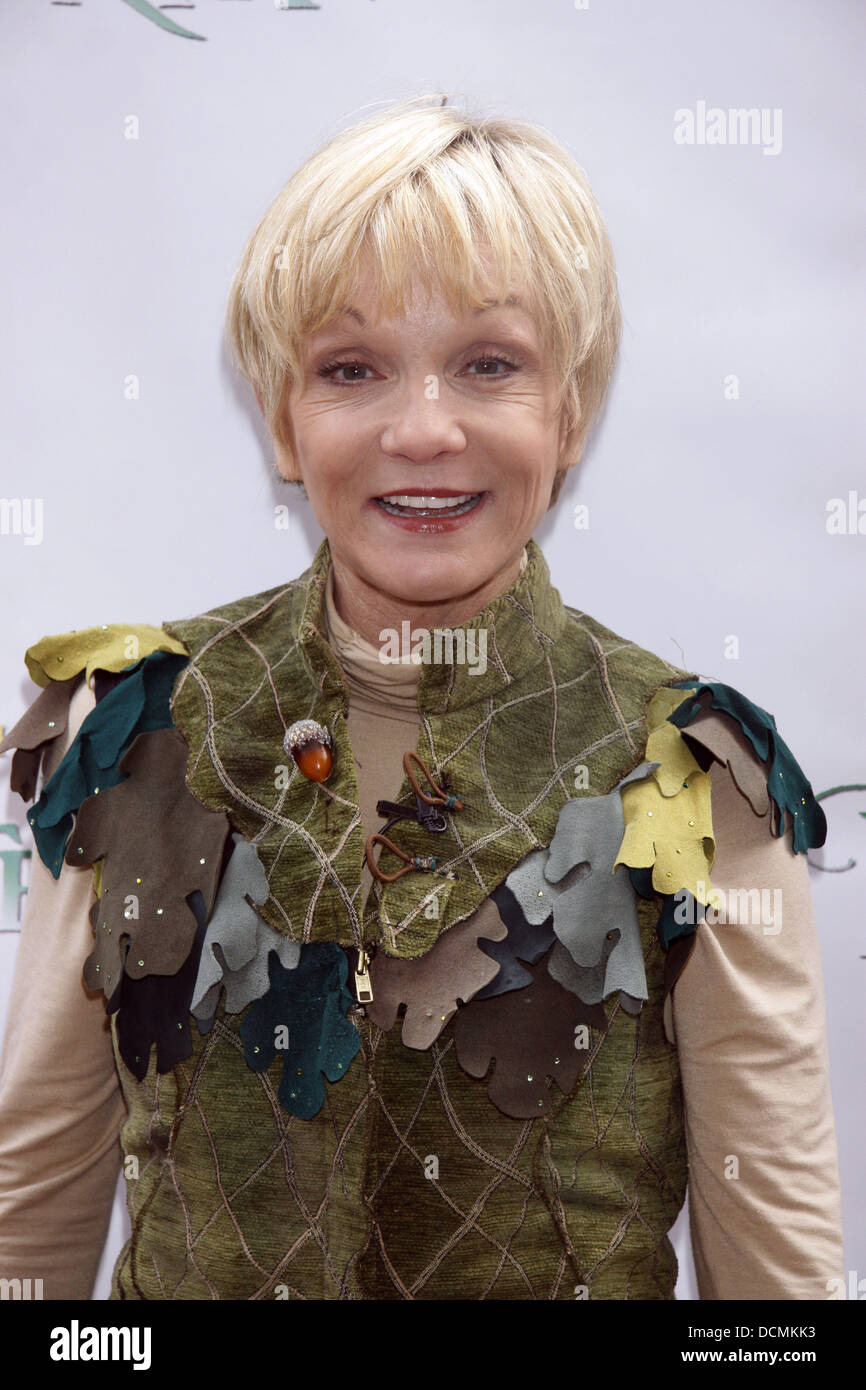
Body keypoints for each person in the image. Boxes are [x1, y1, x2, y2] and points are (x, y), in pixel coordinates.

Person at [0, 94, 844, 1301]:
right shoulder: (129, 730)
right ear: (281, 420)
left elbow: (773, 1269)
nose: (422, 428)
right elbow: (34, 1208)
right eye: (351, 369)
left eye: (487, 364)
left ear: (570, 413)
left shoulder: (695, 772)